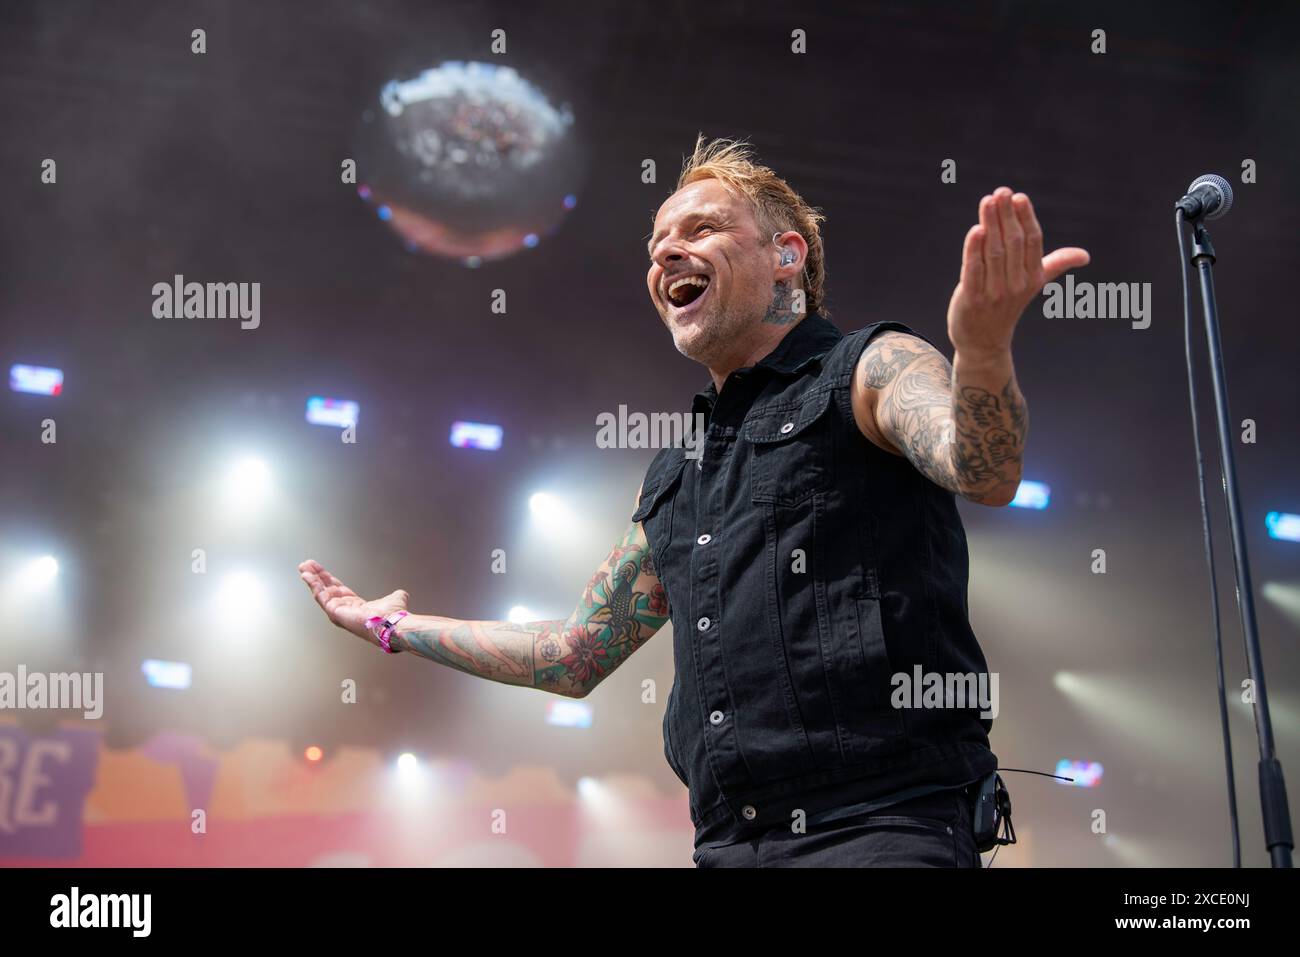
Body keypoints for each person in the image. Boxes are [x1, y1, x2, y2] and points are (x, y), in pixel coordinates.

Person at [299, 134, 1089, 867]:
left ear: (787, 256)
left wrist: (982, 347)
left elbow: (986, 470)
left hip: (878, 829)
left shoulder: (871, 367)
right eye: (655, 246)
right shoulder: (681, 467)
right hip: (728, 844)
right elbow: (575, 656)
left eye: (702, 228)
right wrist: (392, 624)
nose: (666, 252)